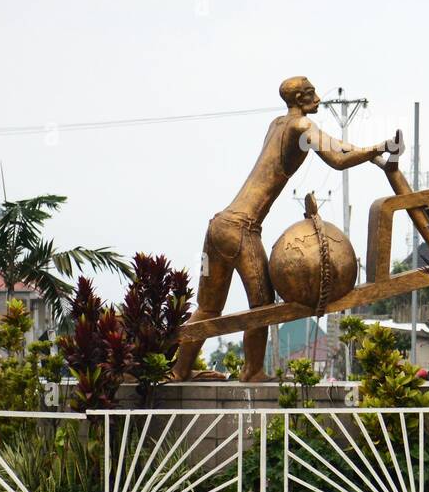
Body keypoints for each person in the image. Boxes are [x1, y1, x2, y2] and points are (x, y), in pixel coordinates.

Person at [171, 77, 399, 383]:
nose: (318, 98)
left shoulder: (279, 124)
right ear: (300, 98)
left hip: (218, 226)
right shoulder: (302, 127)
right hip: (242, 229)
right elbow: (337, 159)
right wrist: (379, 147)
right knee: (263, 307)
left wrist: (375, 154)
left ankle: (179, 370)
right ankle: (252, 372)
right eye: (312, 94)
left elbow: (338, 146)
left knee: (208, 306)